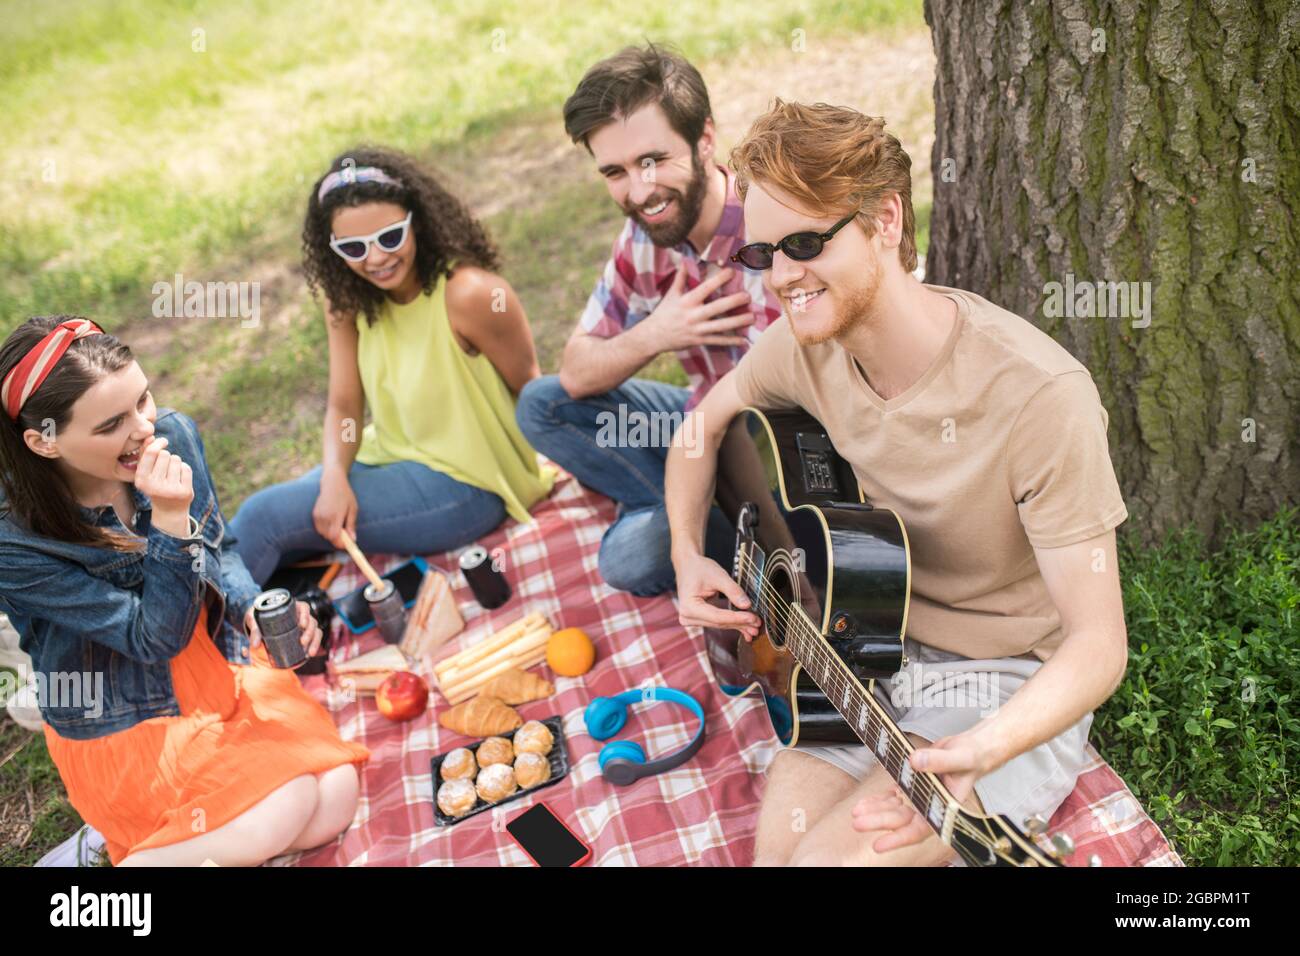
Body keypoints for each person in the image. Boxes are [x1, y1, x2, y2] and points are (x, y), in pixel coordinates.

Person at [666, 101, 1130, 866]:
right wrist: (686, 552)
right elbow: (697, 430)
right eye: (761, 255)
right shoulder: (803, 349)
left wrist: (986, 747)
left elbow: (1098, 646)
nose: (781, 277)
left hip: (1003, 684)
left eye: (806, 243)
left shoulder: (1040, 396)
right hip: (860, 643)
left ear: (885, 220)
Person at [0, 316, 369, 866]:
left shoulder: (173, 433)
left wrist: (251, 609)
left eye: (143, 399)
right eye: (110, 425)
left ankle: (211, 847)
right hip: (123, 719)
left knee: (336, 793)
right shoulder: (16, 543)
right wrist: (170, 523)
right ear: (43, 442)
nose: (145, 429)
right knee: (289, 800)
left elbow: (220, 549)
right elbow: (153, 639)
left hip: (212, 675)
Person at [514, 43, 782, 597]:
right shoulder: (645, 237)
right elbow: (577, 372)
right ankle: (678, 505)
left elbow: (795, 400)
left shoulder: (773, 231)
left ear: (705, 138)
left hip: (774, 454)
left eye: (652, 161)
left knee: (628, 562)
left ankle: (701, 522)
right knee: (542, 403)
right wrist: (661, 331)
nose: (638, 191)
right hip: (695, 429)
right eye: (615, 171)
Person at [229, 146, 556, 583]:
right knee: (283, 520)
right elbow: (344, 407)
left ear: (417, 221)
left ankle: (204, 638)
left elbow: (533, 391)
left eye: (389, 237)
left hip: (468, 484)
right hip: (388, 453)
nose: (376, 259)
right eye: (352, 247)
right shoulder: (348, 302)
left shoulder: (470, 296)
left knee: (263, 518)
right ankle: (235, 626)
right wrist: (334, 478)